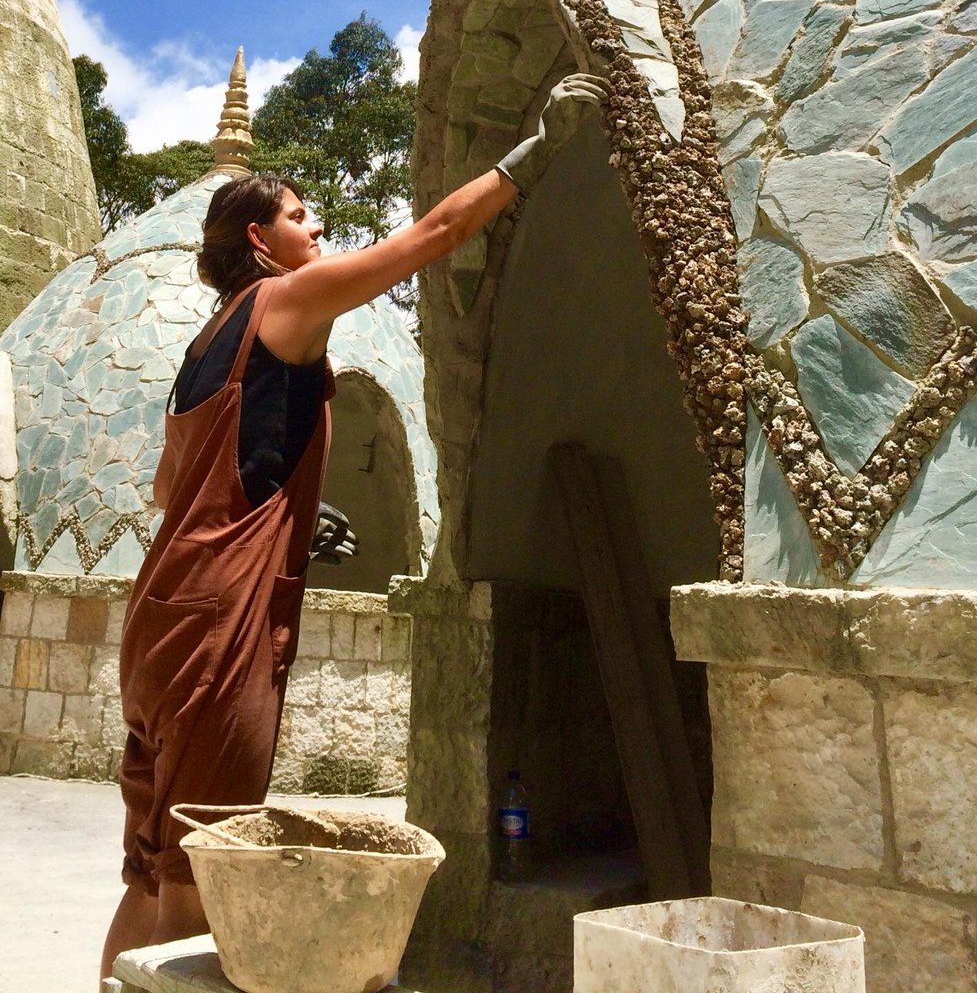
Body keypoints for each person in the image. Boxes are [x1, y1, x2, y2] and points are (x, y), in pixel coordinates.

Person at [99, 72, 608, 980]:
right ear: (261, 240)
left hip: (159, 627)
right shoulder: (284, 303)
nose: (320, 227)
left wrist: (299, 504)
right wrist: (533, 153)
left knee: (148, 867)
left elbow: (173, 490)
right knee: (195, 883)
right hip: (220, 633)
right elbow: (435, 235)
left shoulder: (204, 344)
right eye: (303, 216)